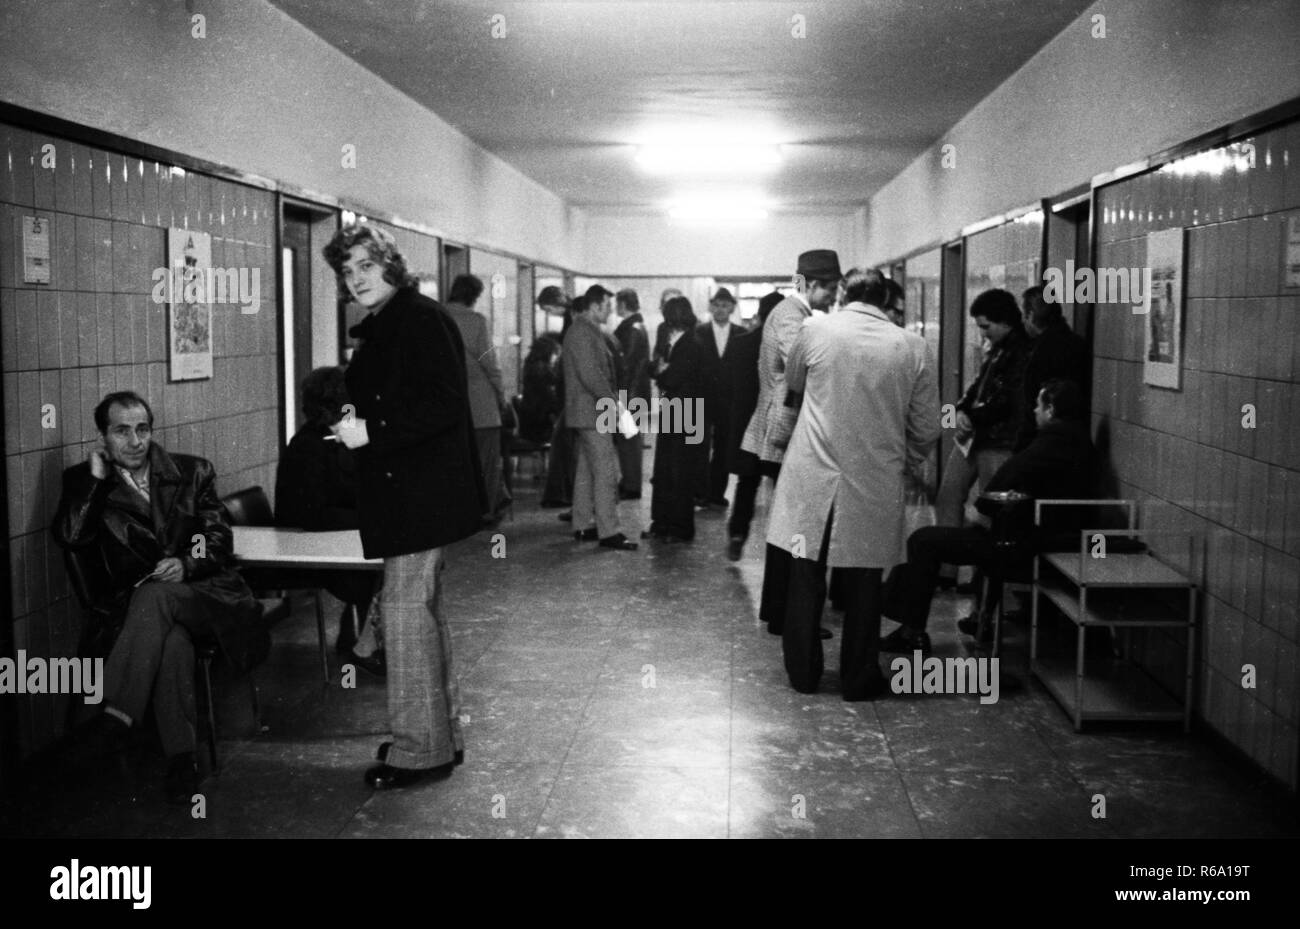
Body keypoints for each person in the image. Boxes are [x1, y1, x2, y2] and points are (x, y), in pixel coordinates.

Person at [324, 223, 485, 790]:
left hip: (420, 493)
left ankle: (420, 751)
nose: (356, 279)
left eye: (366, 266)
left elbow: (443, 404)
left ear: (392, 265)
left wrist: (372, 431)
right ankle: (440, 738)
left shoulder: (416, 318)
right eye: (347, 272)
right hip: (413, 491)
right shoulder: (398, 320)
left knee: (404, 615)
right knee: (420, 612)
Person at [52, 391, 268, 802]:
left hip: (207, 595)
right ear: (103, 436)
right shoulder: (86, 482)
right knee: (171, 642)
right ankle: (182, 761)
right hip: (144, 616)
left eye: (143, 429)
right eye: (122, 431)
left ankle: (115, 713)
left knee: (157, 599)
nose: (135, 441)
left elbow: (217, 536)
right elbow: (71, 538)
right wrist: (96, 485)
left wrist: (188, 562)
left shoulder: (192, 472)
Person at [767, 269, 940, 700]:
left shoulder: (814, 330)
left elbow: (794, 387)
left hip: (812, 473)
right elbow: (927, 426)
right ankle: (859, 677)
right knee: (865, 583)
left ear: (845, 293)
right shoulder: (912, 346)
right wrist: (904, 460)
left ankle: (803, 672)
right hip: (875, 476)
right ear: (887, 299)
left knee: (805, 574)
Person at [882, 379, 1094, 650]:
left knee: (922, 541)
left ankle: (910, 629)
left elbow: (996, 490)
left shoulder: (1049, 445)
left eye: (1039, 406)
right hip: (1044, 538)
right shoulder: (1075, 441)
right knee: (928, 539)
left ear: (1051, 410)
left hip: (1021, 544)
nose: (1034, 412)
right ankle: (911, 623)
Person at [741, 250, 842, 638]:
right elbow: (802, 366)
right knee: (797, 526)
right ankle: (789, 614)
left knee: (787, 526)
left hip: (779, 430)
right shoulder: (790, 316)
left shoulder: (793, 313)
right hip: (784, 433)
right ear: (811, 284)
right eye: (829, 289)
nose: (833, 297)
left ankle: (779, 609)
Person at [274, 366, 384, 675]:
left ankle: (364, 640)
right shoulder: (312, 447)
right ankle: (367, 644)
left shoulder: (326, 440)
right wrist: (370, 517)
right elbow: (314, 513)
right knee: (379, 567)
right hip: (307, 543)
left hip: (325, 535)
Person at [936, 288, 1032, 528]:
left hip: (999, 443)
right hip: (975, 437)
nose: (982, 334)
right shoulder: (997, 351)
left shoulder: (1022, 352)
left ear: (1005, 322)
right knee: (947, 497)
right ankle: (947, 561)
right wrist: (959, 410)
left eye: (986, 327)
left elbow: (1007, 401)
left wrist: (970, 416)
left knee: (991, 510)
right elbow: (976, 387)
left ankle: (982, 565)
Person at [563, 284, 638, 550]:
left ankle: (583, 524)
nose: (610, 311)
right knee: (606, 471)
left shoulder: (585, 330)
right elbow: (591, 375)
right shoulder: (583, 332)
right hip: (593, 411)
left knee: (586, 470)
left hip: (588, 411)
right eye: (606, 306)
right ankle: (610, 531)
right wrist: (614, 403)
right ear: (594, 307)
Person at [444, 273, 511, 525]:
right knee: (487, 461)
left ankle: (457, 511)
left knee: (456, 461)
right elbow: (490, 363)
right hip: (481, 405)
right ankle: (486, 512)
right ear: (474, 296)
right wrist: (501, 395)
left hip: (449, 404)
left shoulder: (436, 315)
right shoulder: (476, 321)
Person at [724, 290, 783, 560]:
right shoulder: (787, 344)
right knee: (782, 484)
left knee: (747, 482)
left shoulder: (739, 343)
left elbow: (726, 385)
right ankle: (783, 540)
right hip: (779, 424)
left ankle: (738, 532)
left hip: (747, 423)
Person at [645, 295, 705, 542]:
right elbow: (657, 369)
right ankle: (664, 523)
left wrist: (661, 372)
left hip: (685, 411)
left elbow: (671, 377)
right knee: (667, 468)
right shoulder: (680, 341)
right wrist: (661, 371)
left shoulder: (690, 344)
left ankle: (679, 527)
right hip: (677, 409)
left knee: (679, 471)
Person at [1015, 285, 1090, 451]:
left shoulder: (1040, 352)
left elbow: (1030, 404)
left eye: (1024, 316)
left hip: (1044, 441)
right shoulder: (1076, 343)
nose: (1023, 321)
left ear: (1031, 315)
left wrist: (1020, 448)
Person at [694, 287, 746, 509]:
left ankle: (716, 494)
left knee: (724, 448)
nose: (720, 310)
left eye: (725, 305)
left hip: (728, 402)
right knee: (699, 446)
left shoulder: (742, 334)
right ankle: (700, 493)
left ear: (732, 308)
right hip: (702, 400)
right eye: (716, 305)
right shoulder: (699, 332)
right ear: (710, 307)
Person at [539, 286, 577, 509]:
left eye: (548, 308)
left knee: (564, 444)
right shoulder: (571, 319)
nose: (549, 313)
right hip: (571, 392)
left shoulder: (570, 322)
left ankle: (561, 494)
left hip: (570, 392)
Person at [613, 288, 651, 500]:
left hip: (627, 394)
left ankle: (631, 485)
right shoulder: (638, 326)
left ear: (623, 304)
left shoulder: (631, 329)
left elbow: (625, 364)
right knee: (630, 440)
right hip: (635, 393)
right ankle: (629, 482)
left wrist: (619, 394)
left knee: (628, 442)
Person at [519, 332, 563, 444]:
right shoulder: (541, 369)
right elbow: (549, 398)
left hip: (530, 422)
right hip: (539, 425)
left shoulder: (532, 365)